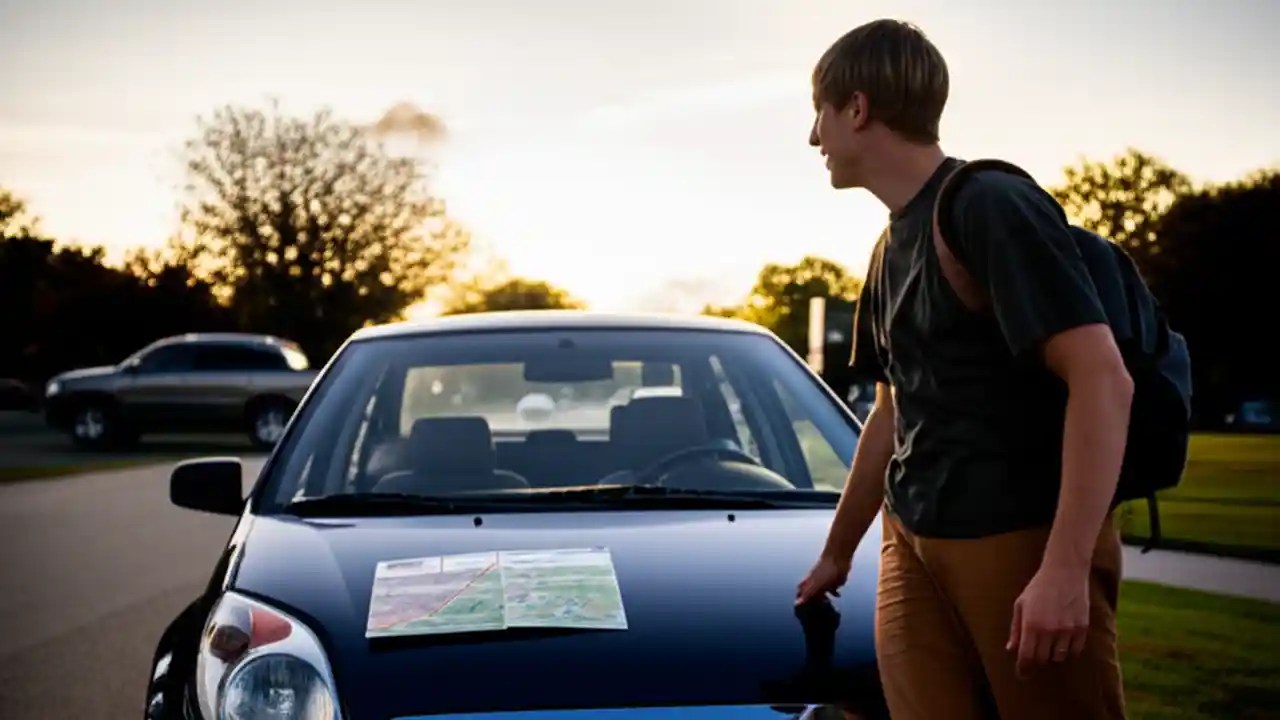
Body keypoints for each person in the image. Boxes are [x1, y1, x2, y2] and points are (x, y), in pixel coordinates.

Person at [794, 19, 1131, 720]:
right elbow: (891, 414)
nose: (812, 136)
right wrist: (837, 553)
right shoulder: (888, 246)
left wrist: (1065, 568)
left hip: (1016, 541)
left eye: (818, 112)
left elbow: (1103, 379)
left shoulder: (989, 206)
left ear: (856, 108)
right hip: (912, 541)